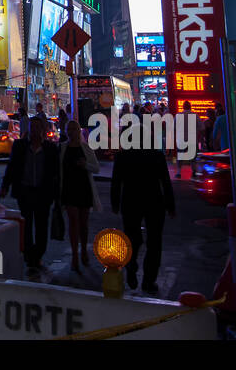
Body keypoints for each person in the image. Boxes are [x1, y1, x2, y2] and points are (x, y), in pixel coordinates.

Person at [110, 146, 176, 294]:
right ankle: (148, 281)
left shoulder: (122, 156)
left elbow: (116, 181)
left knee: (132, 239)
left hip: (130, 201)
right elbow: (165, 181)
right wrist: (170, 205)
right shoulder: (156, 155)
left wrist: (115, 203)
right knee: (154, 243)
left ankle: (131, 266)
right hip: (154, 201)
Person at [1, 116, 60, 272]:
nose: (34, 130)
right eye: (32, 127)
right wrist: (5, 186)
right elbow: (12, 166)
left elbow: (56, 173)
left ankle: (38, 254)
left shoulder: (50, 148)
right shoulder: (20, 146)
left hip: (43, 193)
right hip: (25, 191)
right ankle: (29, 256)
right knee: (26, 225)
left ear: (43, 130)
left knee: (41, 226)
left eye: (37, 127)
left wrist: (57, 194)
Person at [59, 120, 100, 268]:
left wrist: (85, 165)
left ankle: (83, 250)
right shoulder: (62, 148)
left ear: (78, 131)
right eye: (69, 129)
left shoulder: (86, 148)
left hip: (83, 188)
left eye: (74, 129)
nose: (71, 132)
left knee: (83, 223)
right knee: (73, 221)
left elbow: (96, 168)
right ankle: (75, 255)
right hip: (69, 189)